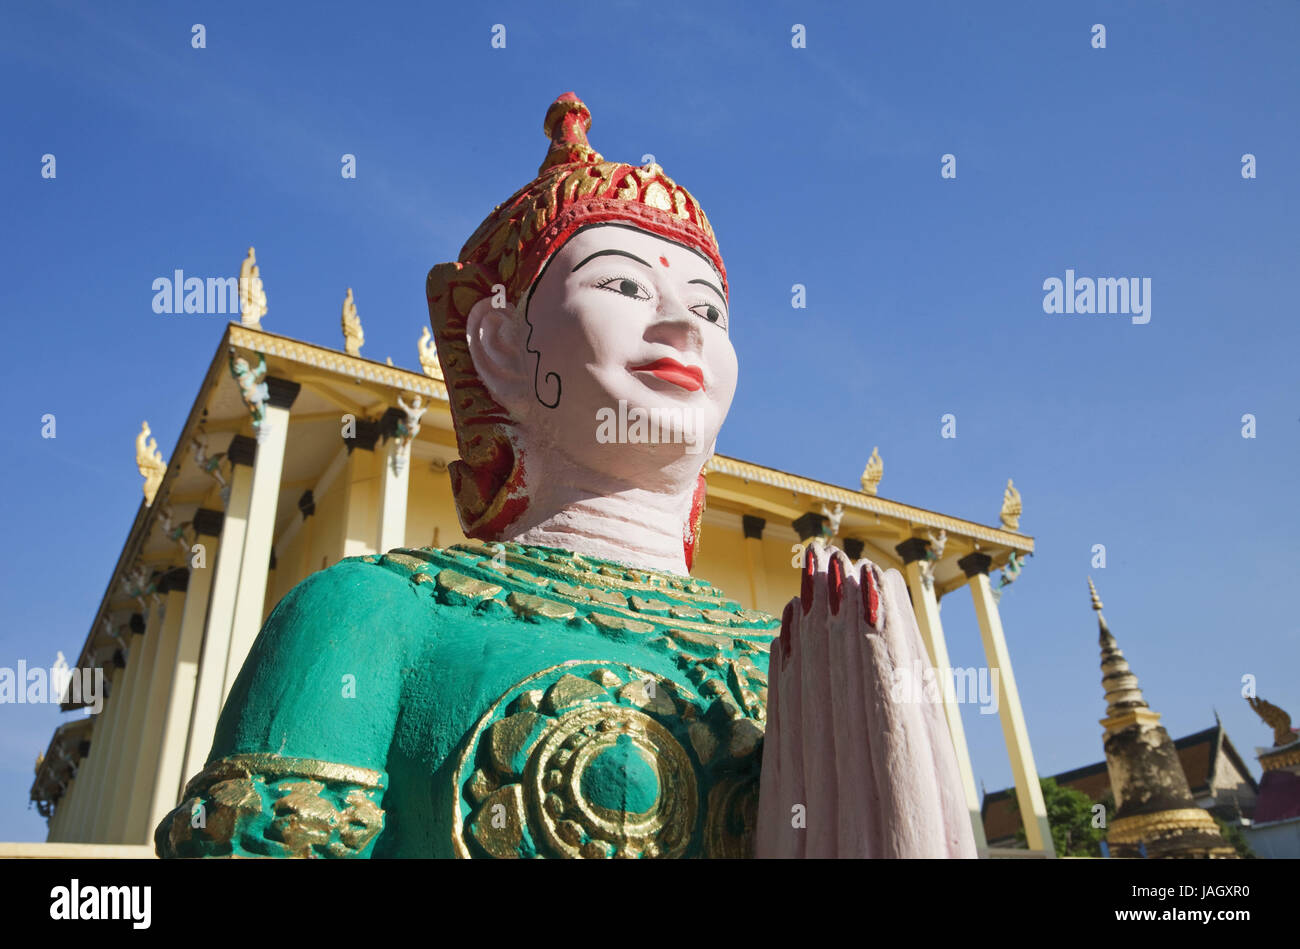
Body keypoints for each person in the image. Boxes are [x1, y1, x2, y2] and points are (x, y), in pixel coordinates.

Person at [156, 93, 974, 859]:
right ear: (503, 345)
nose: (683, 325)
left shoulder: (794, 655)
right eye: (622, 283)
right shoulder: (369, 616)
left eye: (711, 308)